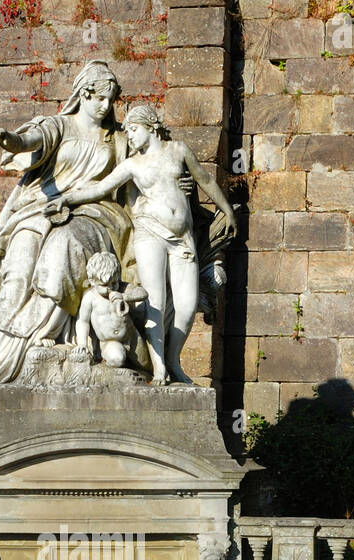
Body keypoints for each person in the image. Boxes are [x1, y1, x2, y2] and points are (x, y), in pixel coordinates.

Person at [0, 61, 136, 386]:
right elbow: (31, 140)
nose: (106, 107)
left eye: (111, 101)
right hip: (41, 211)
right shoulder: (60, 126)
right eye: (100, 99)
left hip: (94, 215)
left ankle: (43, 337)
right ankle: (5, 350)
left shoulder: (118, 140)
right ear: (84, 94)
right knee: (20, 260)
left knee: (62, 248)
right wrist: (11, 140)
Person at [45, 104, 238, 384]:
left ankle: (173, 359)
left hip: (182, 238)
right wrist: (66, 199)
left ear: (150, 126)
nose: (130, 136)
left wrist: (227, 210)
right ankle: (160, 367)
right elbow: (99, 189)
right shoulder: (133, 165)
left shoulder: (179, 151)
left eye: (133, 130)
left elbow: (204, 179)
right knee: (155, 303)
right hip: (150, 235)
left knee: (186, 306)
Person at [75, 251, 149, 372]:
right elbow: (83, 321)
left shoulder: (122, 288)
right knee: (117, 359)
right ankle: (107, 370)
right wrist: (82, 344)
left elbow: (142, 293)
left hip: (132, 337)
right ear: (92, 281)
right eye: (105, 285)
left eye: (114, 282)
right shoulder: (91, 297)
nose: (111, 288)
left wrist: (125, 297)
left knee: (146, 365)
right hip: (110, 342)